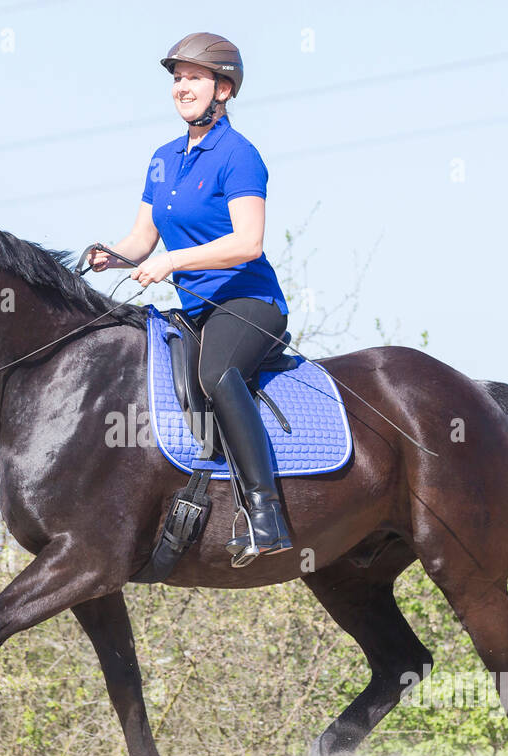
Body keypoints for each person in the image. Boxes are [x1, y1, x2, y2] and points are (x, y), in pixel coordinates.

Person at [90, 32, 292, 563]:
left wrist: (171, 263)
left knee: (216, 374)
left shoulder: (240, 156)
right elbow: (143, 239)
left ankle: (266, 514)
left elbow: (248, 242)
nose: (181, 87)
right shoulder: (162, 159)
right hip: (197, 309)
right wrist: (112, 255)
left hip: (249, 303)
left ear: (223, 88)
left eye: (193, 78)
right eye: (176, 79)